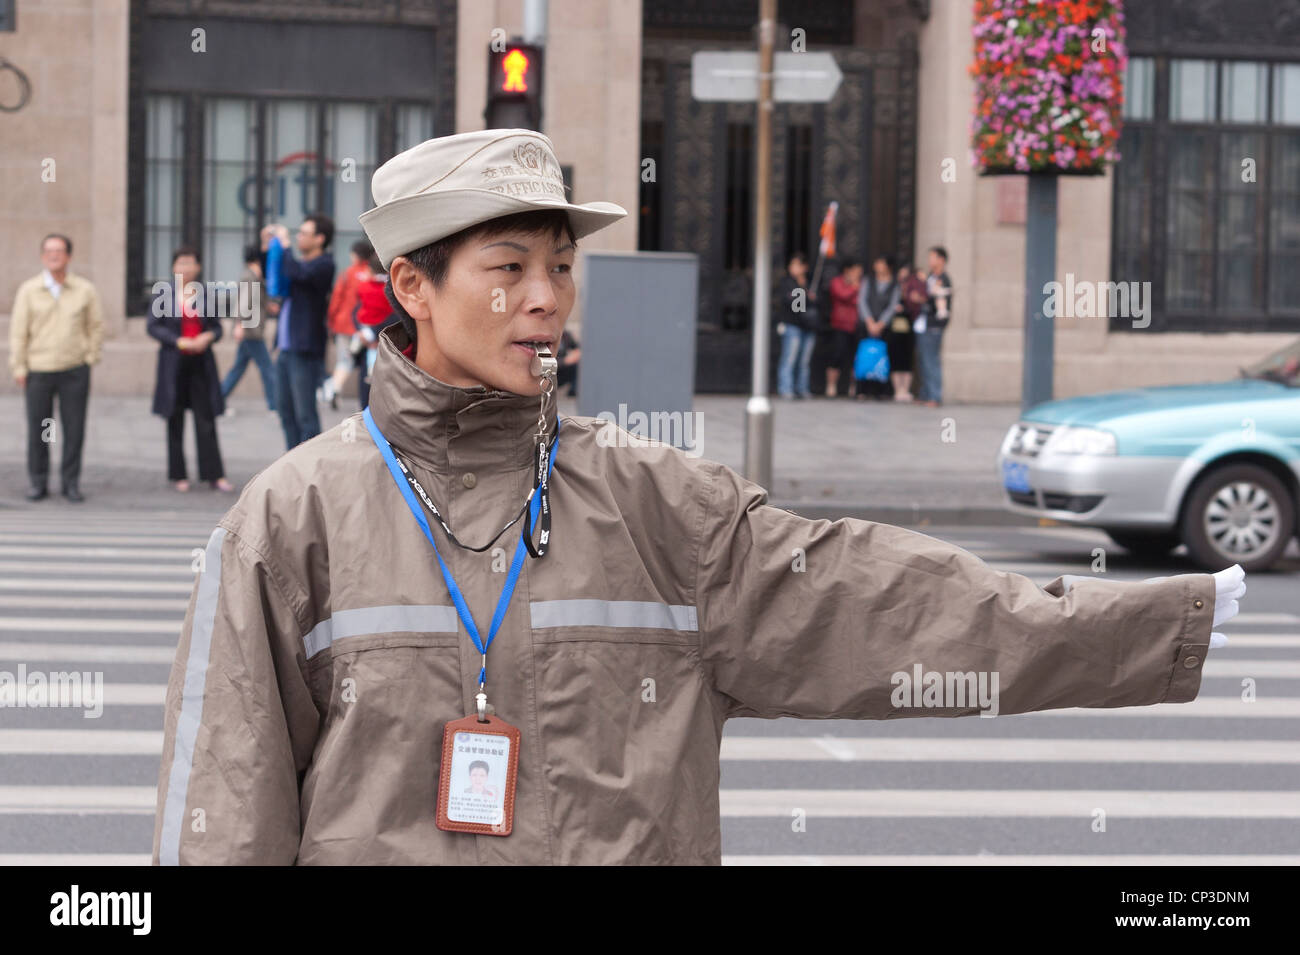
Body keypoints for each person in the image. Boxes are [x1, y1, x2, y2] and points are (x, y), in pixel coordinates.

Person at [152, 129, 1242, 867]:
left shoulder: (655, 501)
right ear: (412, 288)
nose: (547, 299)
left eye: (561, 268)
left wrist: (1149, 623)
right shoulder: (292, 516)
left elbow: (890, 607)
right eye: (508, 265)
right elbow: (223, 810)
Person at [9, 234, 103, 502]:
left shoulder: (84, 289)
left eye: (59, 251)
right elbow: (18, 331)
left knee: (74, 429)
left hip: (74, 370)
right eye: (49, 251)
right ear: (42, 256)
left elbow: (96, 326)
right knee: (42, 428)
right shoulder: (29, 290)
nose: (54, 256)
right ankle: (38, 481)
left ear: (69, 256)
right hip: (39, 370)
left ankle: (70, 482)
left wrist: (90, 357)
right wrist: (19, 365)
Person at [147, 247, 234, 494]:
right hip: (173, 362)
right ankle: (178, 474)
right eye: (180, 263)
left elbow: (217, 328)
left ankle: (214, 474)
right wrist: (177, 341)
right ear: (173, 267)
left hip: (201, 362)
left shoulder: (205, 293)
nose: (185, 268)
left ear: (198, 267)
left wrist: (208, 336)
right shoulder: (163, 294)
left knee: (205, 420)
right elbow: (153, 326)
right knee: (174, 419)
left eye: (190, 263)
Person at [261, 215, 336, 449]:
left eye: (304, 233)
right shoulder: (300, 263)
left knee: (306, 414)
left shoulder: (324, 264)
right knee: (285, 410)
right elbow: (275, 273)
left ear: (320, 239)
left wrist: (284, 246)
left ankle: (310, 468)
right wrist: (268, 247)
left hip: (304, 348)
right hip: (285, 346)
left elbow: (297, 274)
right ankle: (290, 462)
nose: (298, 237)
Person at [220, 243, 277, 414]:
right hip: (250, 330)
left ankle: (217, 400)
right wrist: (239, 324)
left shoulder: (253, 276)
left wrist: (269, 306)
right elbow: (244, 302)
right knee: (267, 368)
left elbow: (256, 300)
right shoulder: (249, 276)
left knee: (238, 368)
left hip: (250, 329)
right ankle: (275, 404)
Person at [324, 239, 373, 410]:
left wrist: (331, 321)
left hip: (344, 324)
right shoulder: (371, 273)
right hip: (365, 326)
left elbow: (336, 299)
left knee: (345, 360)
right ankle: (366, 400)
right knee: (367, 364)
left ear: (355, 255)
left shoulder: (347, 273)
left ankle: (334, 388)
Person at [353, 251, 398, 410]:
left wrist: (368, 333)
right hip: (377, 341)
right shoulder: (392, 289)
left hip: (384, 344)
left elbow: (358, 311)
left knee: (373, 396)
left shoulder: (369, 287)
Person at [774, 252, 819, 399]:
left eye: (797, 265)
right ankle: (786, 389)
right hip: (792, 325)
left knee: (804, 361)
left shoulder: (812, 281)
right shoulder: (787, 282)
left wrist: (807, 295)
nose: (793, 268)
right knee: (789, 358)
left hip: (808, 326)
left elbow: (818, 303)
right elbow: (797, 305)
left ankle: (802, 389)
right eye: (792, 265)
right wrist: (806, 295)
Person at [856, 254, 899, 401]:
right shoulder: (869, 281)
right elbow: (862, 301)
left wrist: (881, 324)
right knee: (864, 356)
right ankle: (862, 389)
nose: (878, 266)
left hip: (884, 327)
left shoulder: (894, 284)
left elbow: (892, 306)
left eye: (881, 263)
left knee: (882, 357)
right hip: (866, 324)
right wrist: (869, 321)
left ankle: (880, 390)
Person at [916, 245, 952, 407]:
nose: (930, 261)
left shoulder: (943, 279)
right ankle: (925, 393)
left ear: (941, 260)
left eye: (933, 257)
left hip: (934, 325)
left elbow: (940, 301)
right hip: (924, 323)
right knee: (924, 360)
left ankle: (934, 396)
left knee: (932, 360)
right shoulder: (931, 277)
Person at [825, 258, 863, 398]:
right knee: (837, 355)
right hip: (840, 325)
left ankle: (853, 387)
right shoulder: (837, 282)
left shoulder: (862, 283)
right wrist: (854, 287)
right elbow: (842, 295)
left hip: (856, 325)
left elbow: (860, 301)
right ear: (847, 270)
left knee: (855, 357)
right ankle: (831, 385)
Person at [891, 263, 926, 403]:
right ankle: (897, 390)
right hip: (895, 328)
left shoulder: (916, 288)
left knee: (907, 357)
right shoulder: (895, 289)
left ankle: (905, 390)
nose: (903, 279)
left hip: (910, 326)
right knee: (896, 357)